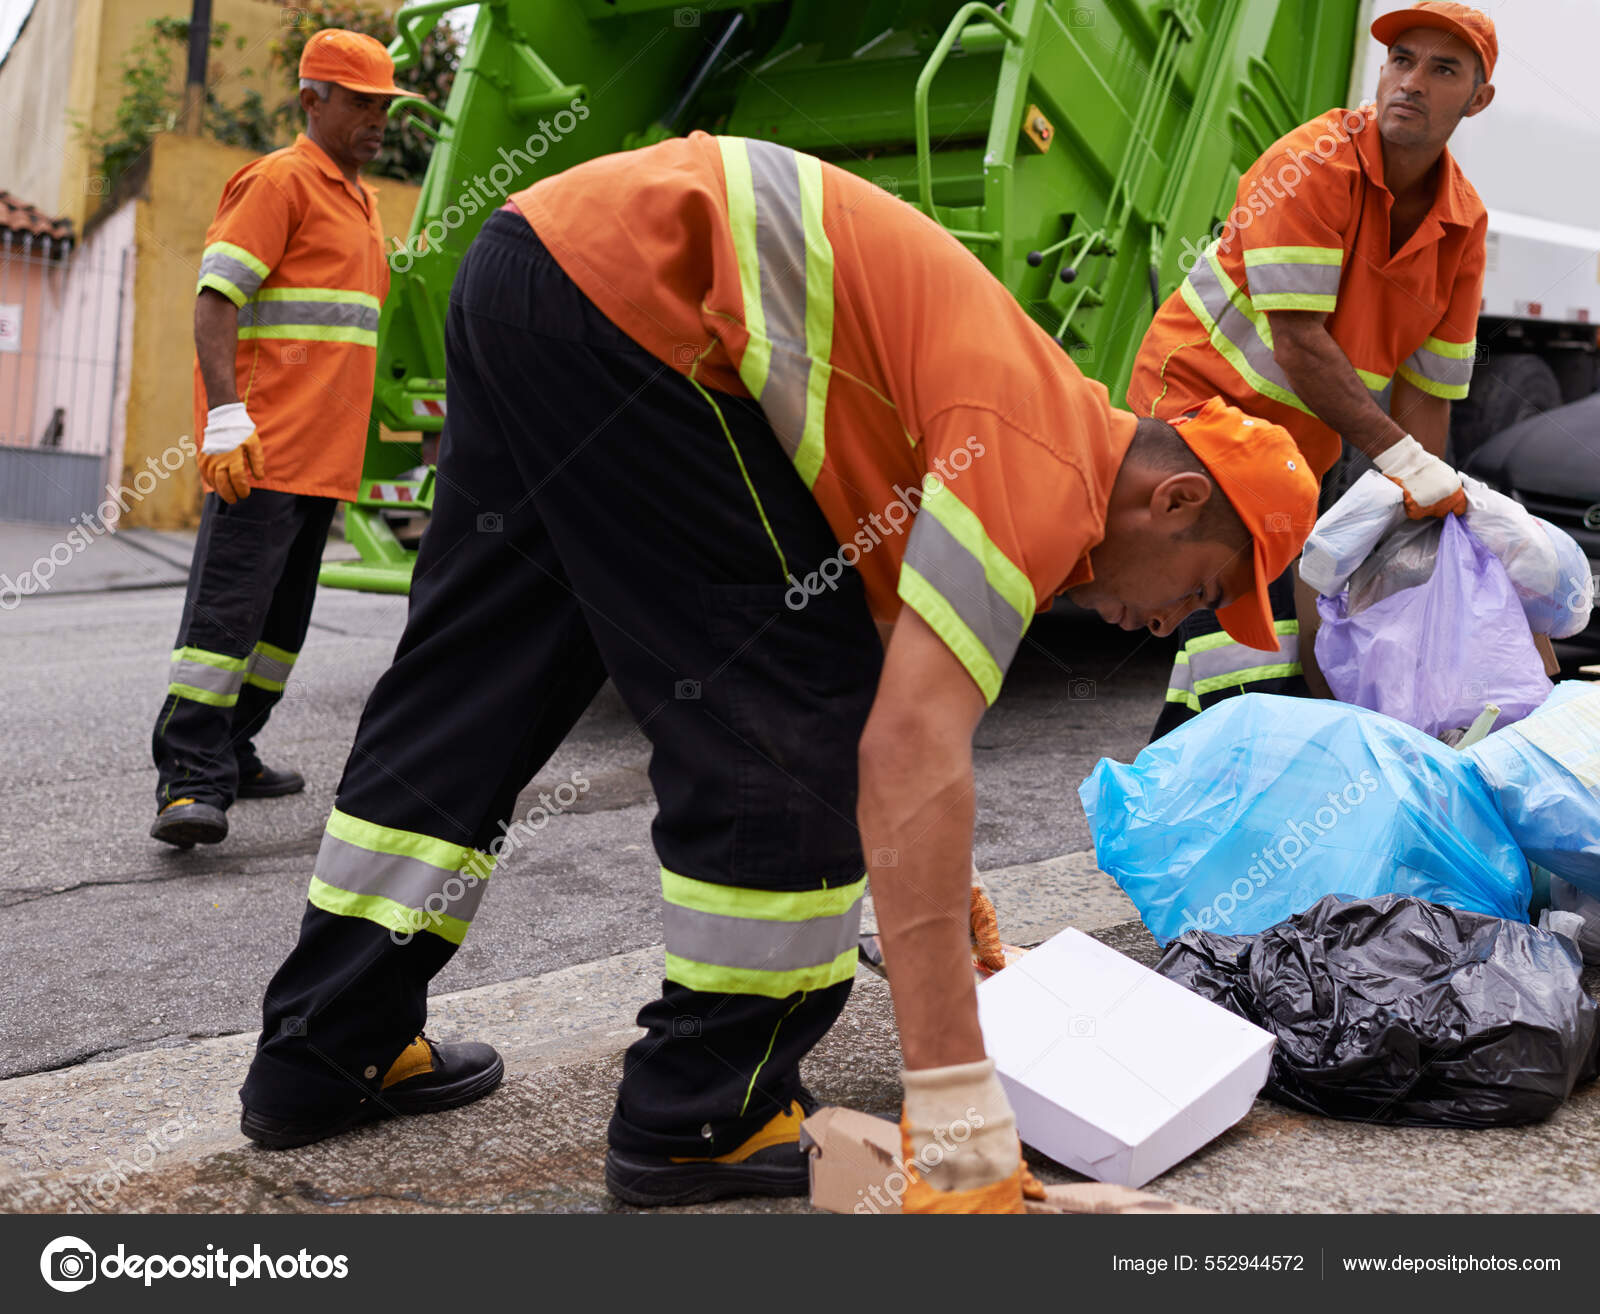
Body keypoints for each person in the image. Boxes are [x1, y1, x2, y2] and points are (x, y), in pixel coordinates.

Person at [236, 132, 1317, 1213]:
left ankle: (328, 1046)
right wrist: (957, 1128)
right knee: (791, 711)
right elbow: (900, 750)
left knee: (479, 687)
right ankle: (710, 1111)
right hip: (651, 306)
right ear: (1173, 501)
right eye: (1203, 588)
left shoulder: (1026, 427)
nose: (1176, 624)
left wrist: (959, 906)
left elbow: (912, 713)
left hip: (536, 263)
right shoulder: (1037, 469)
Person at [1127, 1, 1497, 739]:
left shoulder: (1464, 223)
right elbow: (1297, 343)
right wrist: (1404, 464)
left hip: (1293, 447)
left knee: (1281, 620)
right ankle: (1201, 769)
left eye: (1442, 69)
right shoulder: (1315, 162)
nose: (1411, 82)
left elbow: (1430, 396)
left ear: (1478, 100)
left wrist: (1425, 510)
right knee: (1241, 603)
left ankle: (1223, 769)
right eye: (1401, 60)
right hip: (1197, 402)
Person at [150, 30, 404, 847]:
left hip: (323, 463)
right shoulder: (281, 180)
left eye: (382, 105)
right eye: (359, 101)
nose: (375, 118)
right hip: (261, 451)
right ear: (312, 101)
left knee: (277, 632)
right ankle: (189, 779)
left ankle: (234, 748)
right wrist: (226, 417)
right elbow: (215, 299)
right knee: (225, 624)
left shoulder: (361, 202)